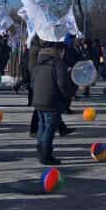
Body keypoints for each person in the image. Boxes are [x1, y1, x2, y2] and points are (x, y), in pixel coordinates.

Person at [28, 34, 75, 165]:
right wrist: (68, 94)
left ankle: (41, 148)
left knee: (42, 125)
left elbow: (32, 82)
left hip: (38, 100)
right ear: (60, 51)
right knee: (50, 127)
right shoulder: (58, 64)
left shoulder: (38, 63)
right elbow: (62, 84)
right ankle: (46, 155)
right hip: (51, 100)